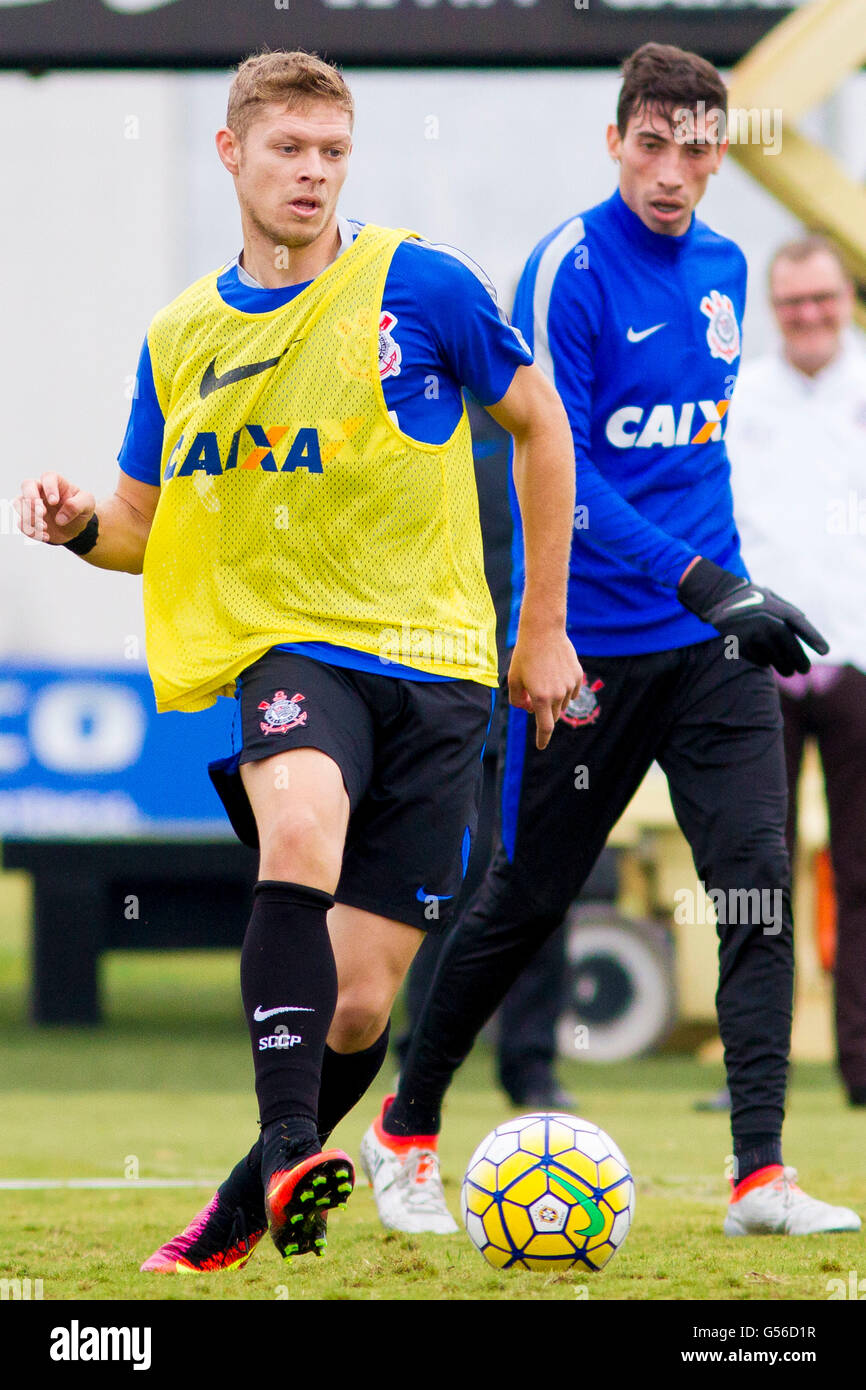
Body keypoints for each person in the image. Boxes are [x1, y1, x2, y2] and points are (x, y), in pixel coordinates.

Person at [14, 50, 582, 1270]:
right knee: (298, 829)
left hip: (436, 664)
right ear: (233, 154)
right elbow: (143, 522)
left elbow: (541, 424)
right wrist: (75, 532)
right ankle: (287, 1155)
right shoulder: (182, 334)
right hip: (292, 653)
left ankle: (233, 1208)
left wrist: (540, 627)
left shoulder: (418, 284)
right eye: (287, 149)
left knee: (363, 1001)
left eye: (331, 151)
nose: (312, 173)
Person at [358, 43, 861, 1239]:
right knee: (525, 898)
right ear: (614, 141)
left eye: (697, 147)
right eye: (652, 142)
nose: (674, 170)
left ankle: (757, 1177)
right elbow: (563, 477)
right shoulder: (565, 271)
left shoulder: (728, 266)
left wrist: (727, 595)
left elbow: (695, 456)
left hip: (713, 651)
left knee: (752, 892)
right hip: (582, 653)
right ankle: (403, 1129)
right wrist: (701, 579)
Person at [724, 235, 866, 1109]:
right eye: (791, 304)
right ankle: (757, 1071)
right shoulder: (742, 395)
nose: (808, 317)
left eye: (821, 300)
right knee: (752, 877)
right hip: (761, 664)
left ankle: (863, 1067)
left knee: (864, 874)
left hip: (859, 659)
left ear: (846, 298)